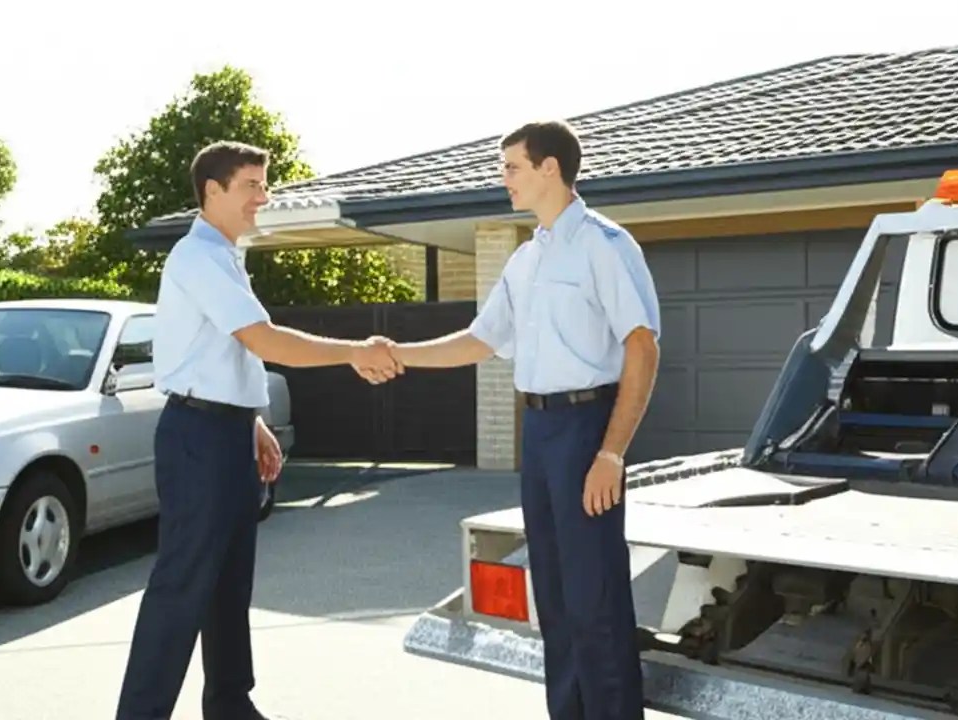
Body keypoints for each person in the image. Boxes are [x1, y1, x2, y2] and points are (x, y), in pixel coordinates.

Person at [115, 140, 400, 720]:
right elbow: (263, 340)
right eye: (251, 185)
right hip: (196, 439)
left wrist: (254, 423)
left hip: (224, 434)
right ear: (213, 190)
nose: (262, 198)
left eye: (263, 185)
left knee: (228, 583)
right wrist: (353, 351)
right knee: (181, 587)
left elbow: (232, 356)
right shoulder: (196, 258)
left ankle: (229, 705)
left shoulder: (225, 257)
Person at [388, 120, 661, 720]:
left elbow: (642, 346)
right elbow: (478, 340)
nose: (503, 178)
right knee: (556, 600)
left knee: (595, 599)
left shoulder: (605, 245)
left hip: (587, 429)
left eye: (511, 166)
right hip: (538, 434)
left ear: (550, 169)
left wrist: (611, 453)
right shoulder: (525, 260)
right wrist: (398, 355)